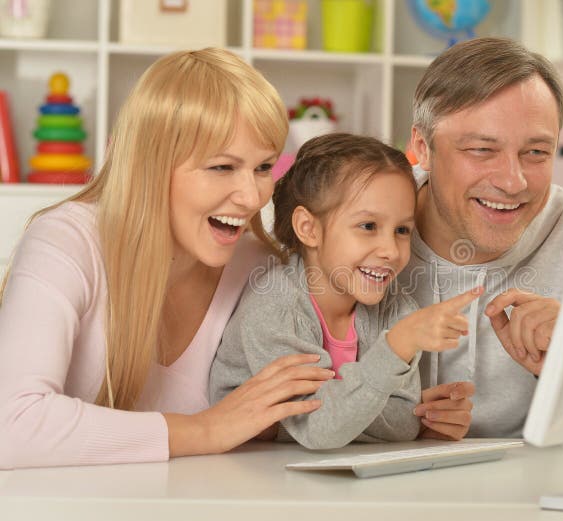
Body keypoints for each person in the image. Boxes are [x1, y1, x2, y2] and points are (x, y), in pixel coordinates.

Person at [0, 48, 335, 470]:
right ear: (151, 166)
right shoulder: (67, 241)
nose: (252, 197)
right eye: (222, 167)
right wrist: (208, 430)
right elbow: (12, 426)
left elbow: (319, 400)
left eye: (264, 167)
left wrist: (415, 408)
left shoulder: (260, 268)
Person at [209, 133, 482, 449]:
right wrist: (393, 350)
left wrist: (288, 425)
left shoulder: (395, 309)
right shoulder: (273, 308)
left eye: (402, 230)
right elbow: (320, 429)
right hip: (246, 478)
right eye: (368, 226)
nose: (391, 251)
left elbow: (403, 423)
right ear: (309, 229)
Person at [400, 37, 563, 438]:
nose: (512, 181)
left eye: (536, 153)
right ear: (423, 148)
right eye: (483, 149)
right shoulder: (357, 229)